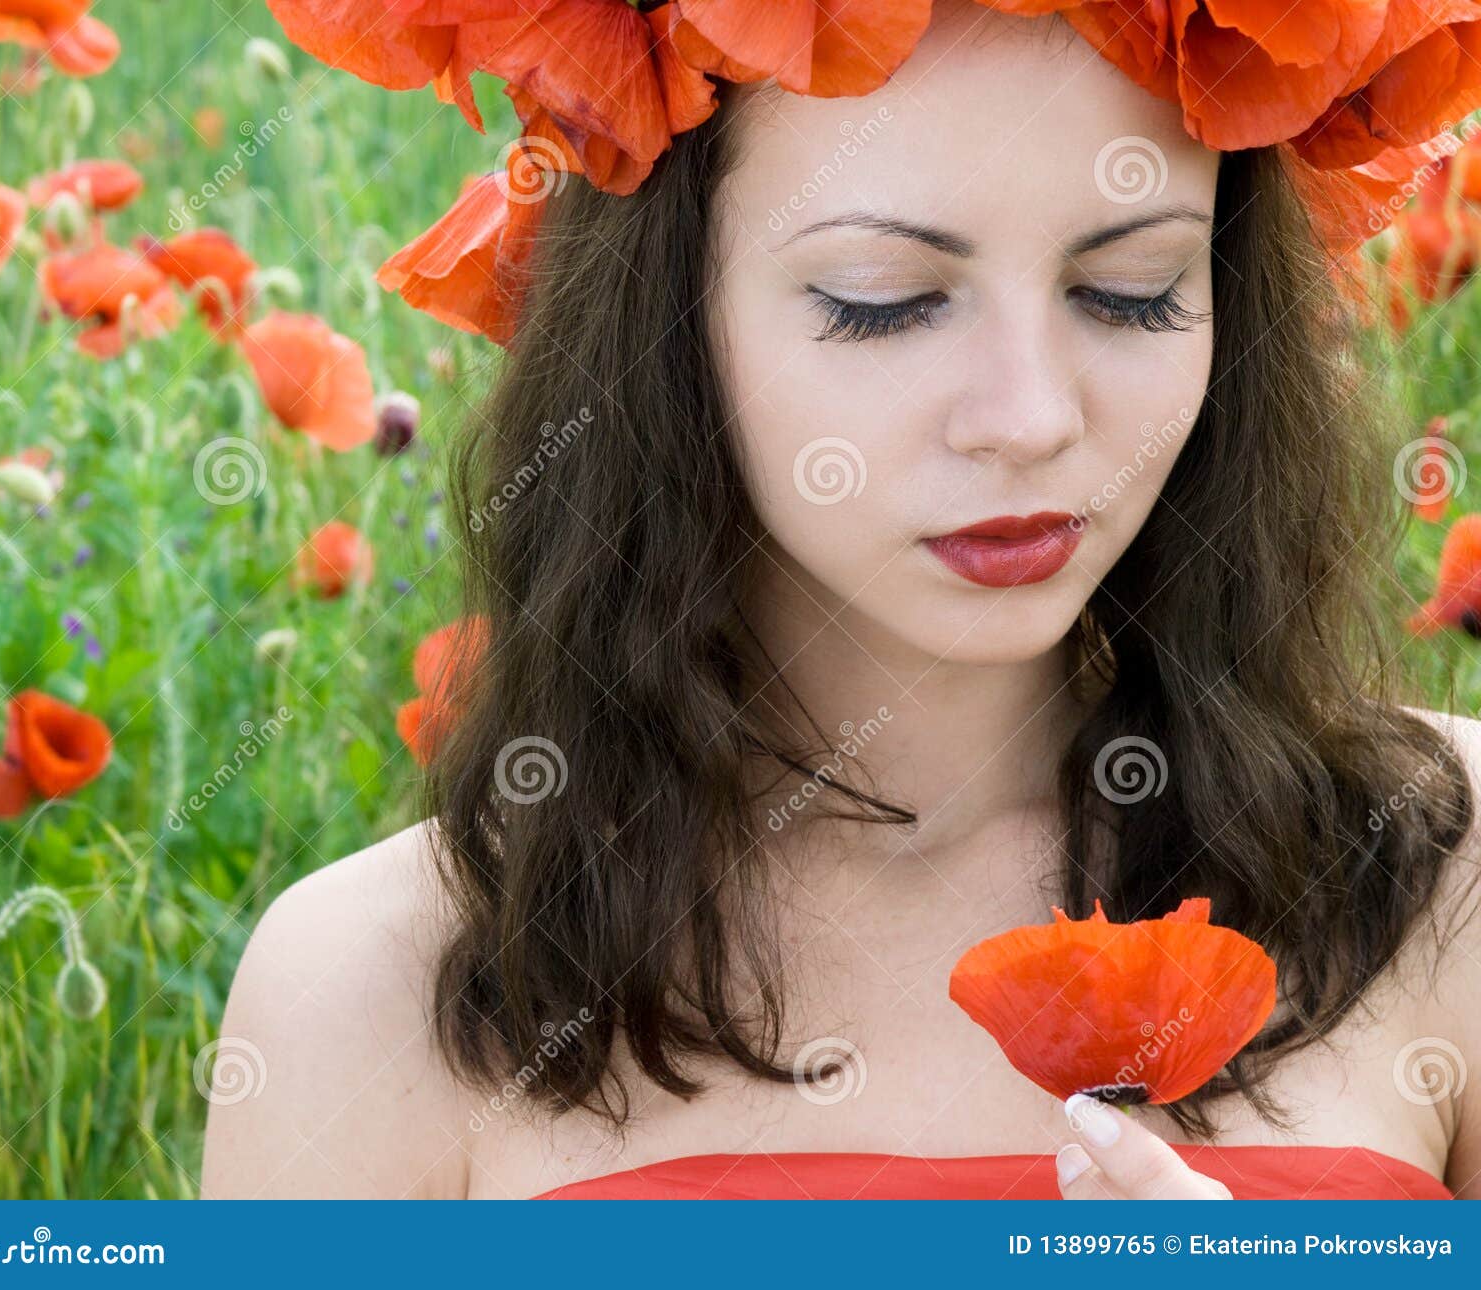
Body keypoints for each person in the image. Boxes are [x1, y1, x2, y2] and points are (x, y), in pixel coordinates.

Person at [201, 0, 1481, 1199]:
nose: (1029, 419)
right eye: (886, 304)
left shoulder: (1446, 878)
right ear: (665, 318)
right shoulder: (368, 991)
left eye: (1130, 289)